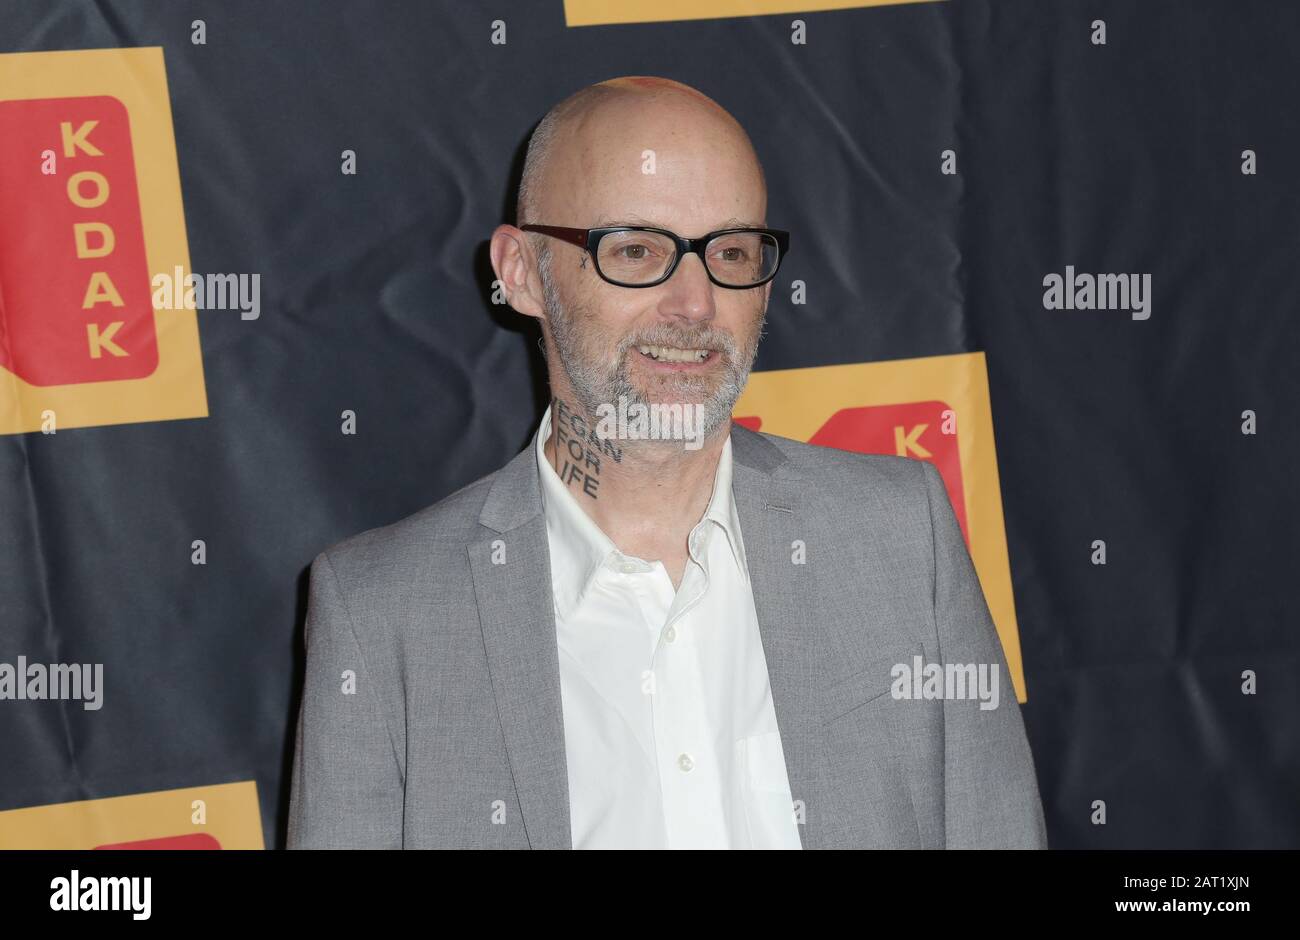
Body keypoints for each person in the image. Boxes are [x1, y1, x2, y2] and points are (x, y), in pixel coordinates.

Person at [286, 76, 1047, 849]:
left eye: (731, 250)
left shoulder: (897, 536)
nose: (695, 303)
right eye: (637, 250)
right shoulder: (382, 614)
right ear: (520, 273)